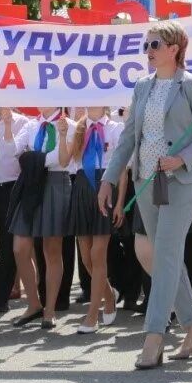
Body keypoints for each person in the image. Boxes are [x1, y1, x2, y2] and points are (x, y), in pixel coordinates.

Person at [97, 21, 192, 369]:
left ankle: (154, 337)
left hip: (183, 181)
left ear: (174, 49)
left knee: (164, 252)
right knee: (166, 257)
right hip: (146, 182)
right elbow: (129, 137)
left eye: (154, 44)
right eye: (146, 44)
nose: (148, 50)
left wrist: (182, 158)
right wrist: (109, 178)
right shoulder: (141, 87)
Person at [10, 108, 77, 329]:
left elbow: (63, 160)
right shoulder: (31, 125)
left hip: (56, 184)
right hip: (31, 185)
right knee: (20, 246)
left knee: (52, 248)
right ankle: (33, 303)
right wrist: (7, 124)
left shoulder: (69, 125)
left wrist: (33, 158)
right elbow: (14, 152)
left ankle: (50, 309)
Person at [71, 107, 125, 333]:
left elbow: (121, 168)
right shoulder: (78, 128)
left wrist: (120, 203)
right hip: (82, 187)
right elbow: (69, 160)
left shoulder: (115, 128)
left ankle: (93, 313)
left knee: (97, 253)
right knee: (85, 257)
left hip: (105, 184)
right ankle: (108, 293)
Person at [0, 107, 29, 312]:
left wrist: (9, 125)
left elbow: (16, 153)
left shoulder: (22, 122)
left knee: (6, 244)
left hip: (9, 188)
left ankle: (2, 295)